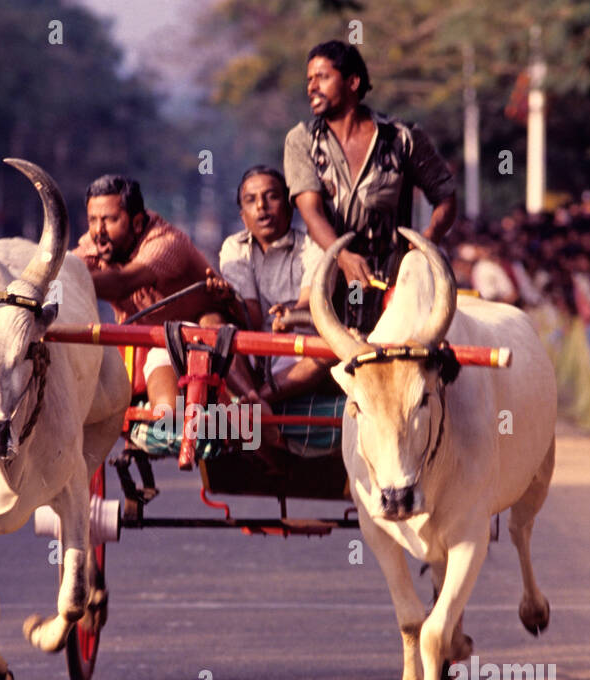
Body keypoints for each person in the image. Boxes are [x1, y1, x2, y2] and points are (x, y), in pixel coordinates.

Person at [283, 40, 456, 333]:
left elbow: (446, 197)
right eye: (309, 79)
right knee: (332, 370)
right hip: (328, 288)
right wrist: (342, 257)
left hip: (393, 292)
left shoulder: (402, 138)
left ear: (353, 82)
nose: (311, 87)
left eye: (322, 77)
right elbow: (311, 214)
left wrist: (428, 240)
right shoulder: (302, 141)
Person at [74, 173, 257, 419]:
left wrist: (68, 278)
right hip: (159, 345)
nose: (99, 230)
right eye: (92, 220)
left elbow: (122, 283)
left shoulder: (167, 243)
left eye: (110, 220)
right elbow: (67, 266)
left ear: (137, 223)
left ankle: (251, 403)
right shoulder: (98, 242)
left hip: (210, 337)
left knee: (213, 325)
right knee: (166, 414)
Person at [217, 165, 328, 402]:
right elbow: (253, 317)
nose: (261, 207)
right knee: (213, 328)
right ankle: (252, 396)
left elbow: (309, 301)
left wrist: (292, 315)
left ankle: (258, 401)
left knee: (330, 351)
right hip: (251, 354)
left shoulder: (313, 247)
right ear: (243, 217)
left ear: (289, 209)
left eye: (271, 197)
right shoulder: (234, 247)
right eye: (251, 200)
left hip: (297, 354)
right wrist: (225, 298)